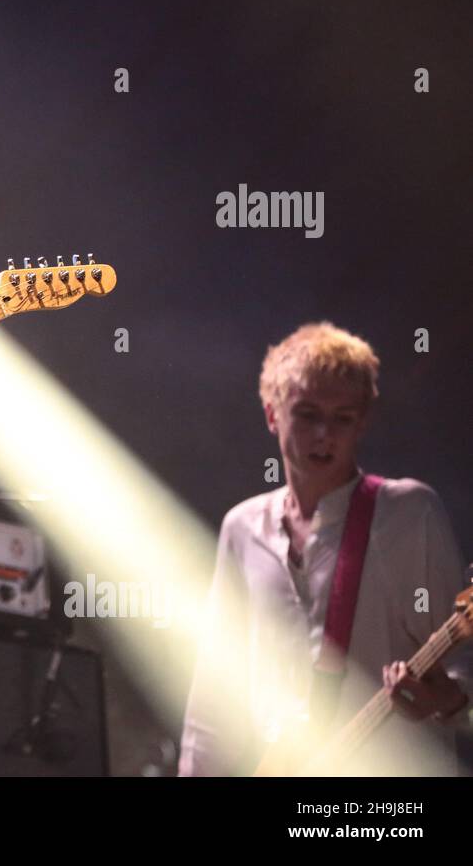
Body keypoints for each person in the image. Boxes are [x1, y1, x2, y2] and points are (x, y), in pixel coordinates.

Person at [178, 322, 471, 776]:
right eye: (308, 414)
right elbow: (214, 702)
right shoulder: (242, 527)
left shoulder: (409, 512)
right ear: (272, 414)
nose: (324, 435)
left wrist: (446, 699)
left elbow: (464, 664)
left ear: (364, 422)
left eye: (342, 418)